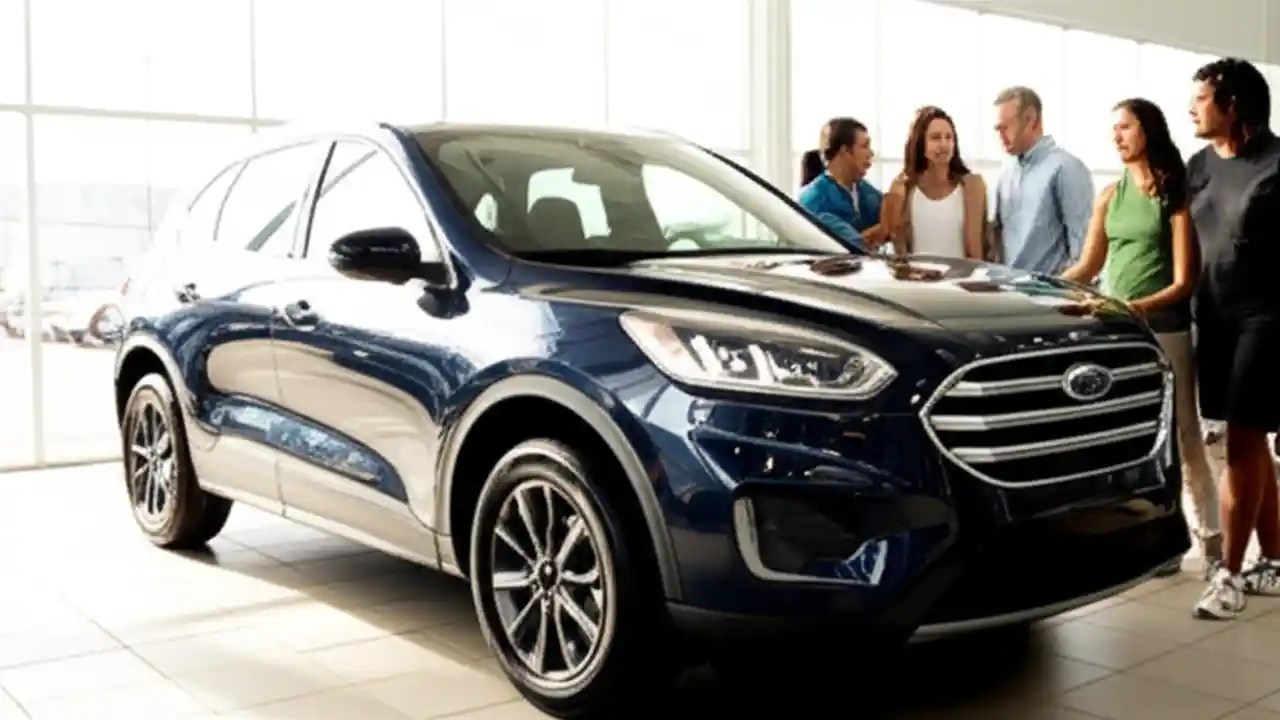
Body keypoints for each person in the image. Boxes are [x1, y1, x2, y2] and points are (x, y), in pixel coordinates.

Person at [1059, 98, 1221, 579]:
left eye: (1125, 126)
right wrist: (1040, 288)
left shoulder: (1175, 192)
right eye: (1113, 128)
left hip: (1165, 328)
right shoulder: (1108, 195)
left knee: (1186, 435)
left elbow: (1183, 280)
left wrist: (1135, 308)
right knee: (1139, 440)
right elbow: (1088, 267)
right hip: (1119, 332)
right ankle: (1162, 542)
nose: (1117, 135)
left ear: (1147, 130)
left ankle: (1213, 545)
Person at [1183, 58, 1280, 620]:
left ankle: (1230, 575)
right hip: (1214, 318)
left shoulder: (1278, 164)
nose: (1191, 108)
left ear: (1232, 104)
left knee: (1240, 443)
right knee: (1251, 442)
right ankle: (1276, 558)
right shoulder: (1198, 165)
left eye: (1200, 98)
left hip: (1267, 321)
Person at [991, 86, 1095, 274]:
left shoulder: (1067, 168)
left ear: (1030, 119)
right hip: (1007, 293)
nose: (999, 136)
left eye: (1005, 128)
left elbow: (1083, 250)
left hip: (1049, 295)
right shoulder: (1005, 172)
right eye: (997, 129)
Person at [882, 105, 988, 259]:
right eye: (935, 137)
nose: (944, 145)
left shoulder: (972, 185)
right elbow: (898, 246)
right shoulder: (903, 187)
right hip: (918, 280)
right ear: (920, 143)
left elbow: (977, 249)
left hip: (962, 280)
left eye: (949, 137)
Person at [797, 117, 891, 253]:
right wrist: (883, 228)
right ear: (845, 151)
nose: (871, 153)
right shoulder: (813, 200)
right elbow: (853, 248)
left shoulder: (868, 192)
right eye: (865, 146)